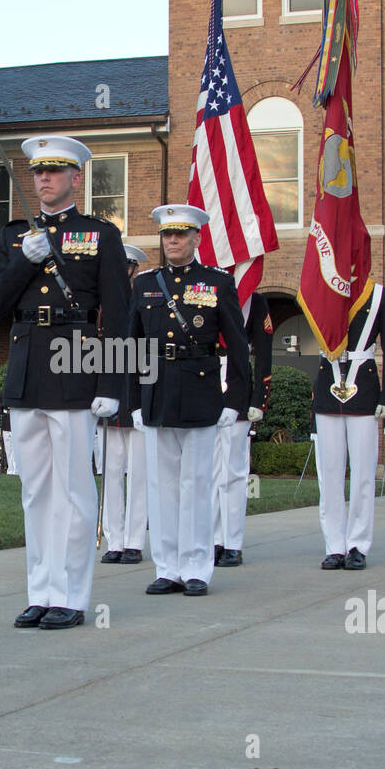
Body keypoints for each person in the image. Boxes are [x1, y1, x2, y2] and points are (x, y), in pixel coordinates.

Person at [0, 134, 129, 629]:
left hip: (75, 363)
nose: (43, 179)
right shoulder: (13, 236)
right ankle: (41, 590)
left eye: (54, 170)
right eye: (37, 172)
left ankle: (70, 595)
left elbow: (119, 316)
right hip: (26, 365)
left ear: (76, 177)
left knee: (72, 489)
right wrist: (25, 258)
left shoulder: (100, 235)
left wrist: (112, 385)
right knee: (35, 490)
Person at [130, 204, 249, 597]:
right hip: (157, 391)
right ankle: (167, 567)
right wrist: (132, 399)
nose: (173, 241)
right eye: (167, 235)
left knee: (197, 485)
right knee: (161, 487)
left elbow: (237, 342)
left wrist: (235, 398)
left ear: (197, 238)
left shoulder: (216, 282)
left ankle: (197, 566)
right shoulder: (144, 283)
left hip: (200, 392)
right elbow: (130, 346)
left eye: (181, 234)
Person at [312, 281, 385, 570]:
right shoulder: (321, 289)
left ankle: (358, 545)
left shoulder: (380, 296)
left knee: (363, 473)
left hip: (364, 388)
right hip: (328, 386)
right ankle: (334, 545)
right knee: (329, 475)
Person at [212, 290, 273, 568]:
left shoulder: (254, 300)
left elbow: (263, 350)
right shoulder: (201, 288)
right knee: (206, 473)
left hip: (237, 385)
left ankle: (232, 542)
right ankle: (211, 539)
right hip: (204, 384)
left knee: (233, 472)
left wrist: (260, 397)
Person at [100, 243, 149, 565]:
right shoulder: (102, 306)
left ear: (133, 271)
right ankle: (114, 540)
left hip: (137, 401)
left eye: (128, 268)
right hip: (109, 403)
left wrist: (146, 400)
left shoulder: (144, 304)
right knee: (111, 472)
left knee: (140, 475)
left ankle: (134, 540)